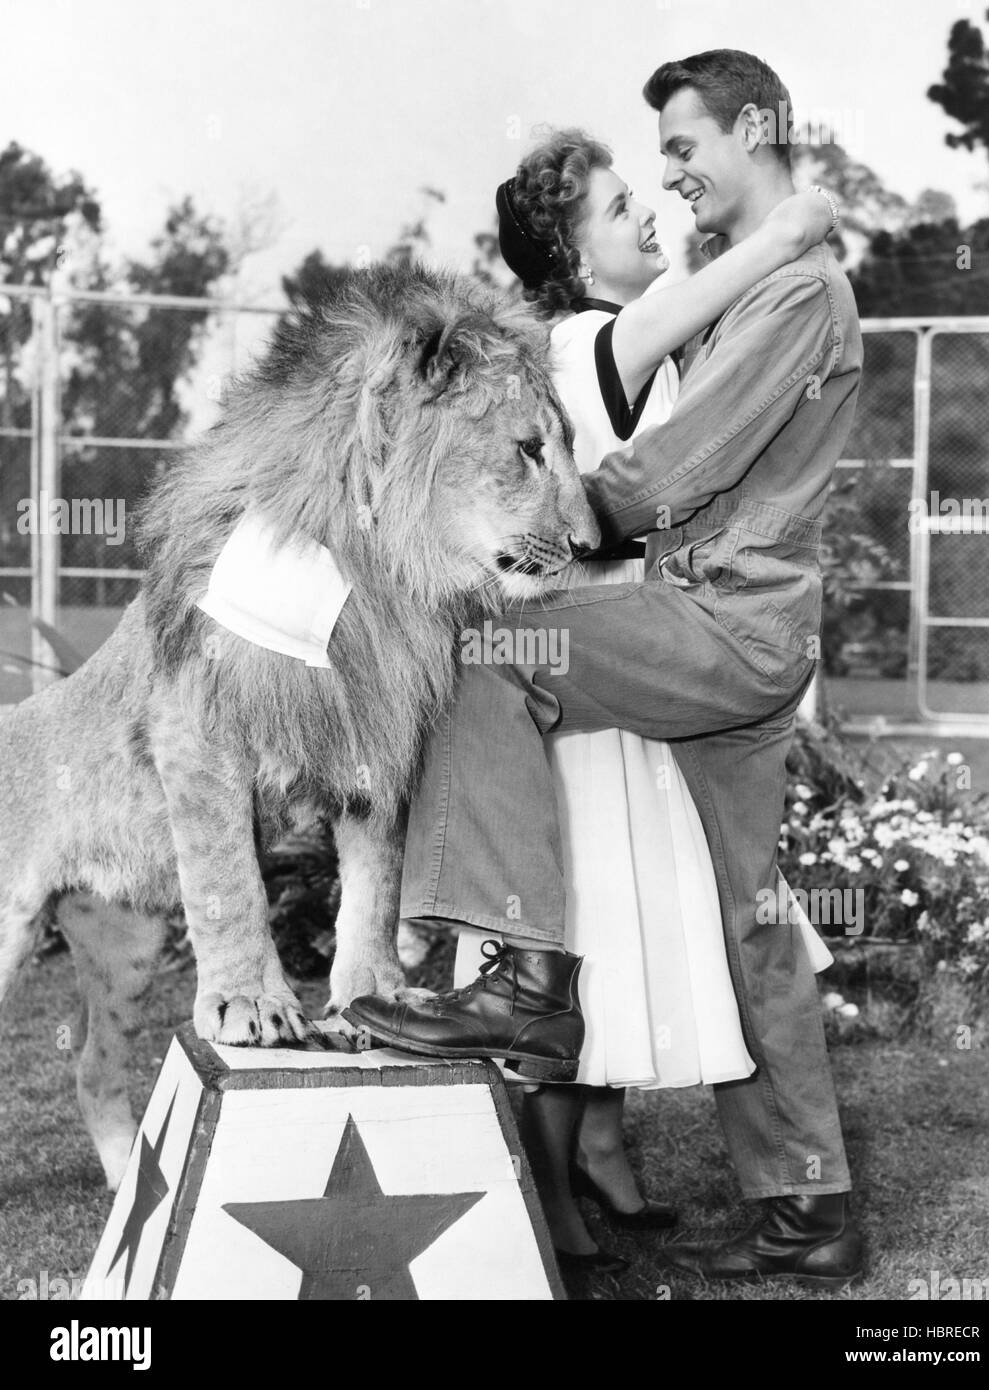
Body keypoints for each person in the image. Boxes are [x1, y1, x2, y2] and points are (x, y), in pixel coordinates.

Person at [346, 49, 865, 1289]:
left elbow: (671, 467)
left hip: (721, 623)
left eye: (682, 147)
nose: (670, 176)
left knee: (492, 655)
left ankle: (523, 976)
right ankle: (810, 1209)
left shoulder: (792, 294)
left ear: (754, 128)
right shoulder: (748, 287)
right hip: (724, 628)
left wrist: (567, 508)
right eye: (652, 167)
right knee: (756, 926)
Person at [448, 128, 835, 1275]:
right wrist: (785, 227)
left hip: (620, 652)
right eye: (621, 209)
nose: (647, 219)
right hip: (587, 656)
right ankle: (555, 1188)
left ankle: (597, 1165)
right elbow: (701, 288)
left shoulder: (638, 330)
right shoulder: (582, 339)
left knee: (613, 928)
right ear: (570, 256)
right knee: (583, 926)